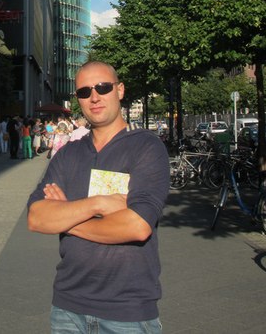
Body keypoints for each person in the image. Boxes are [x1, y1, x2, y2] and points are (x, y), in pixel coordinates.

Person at [27, 60, 170, 333]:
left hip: (128, 312)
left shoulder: (146, 147)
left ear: (120, 90)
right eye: (84, 91)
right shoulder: (68, 154)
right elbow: (36, 217)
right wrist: (99, 204)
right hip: (67, 310)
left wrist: (66, 217)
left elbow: (137, 226)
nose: (94, 97)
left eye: (103, 87)